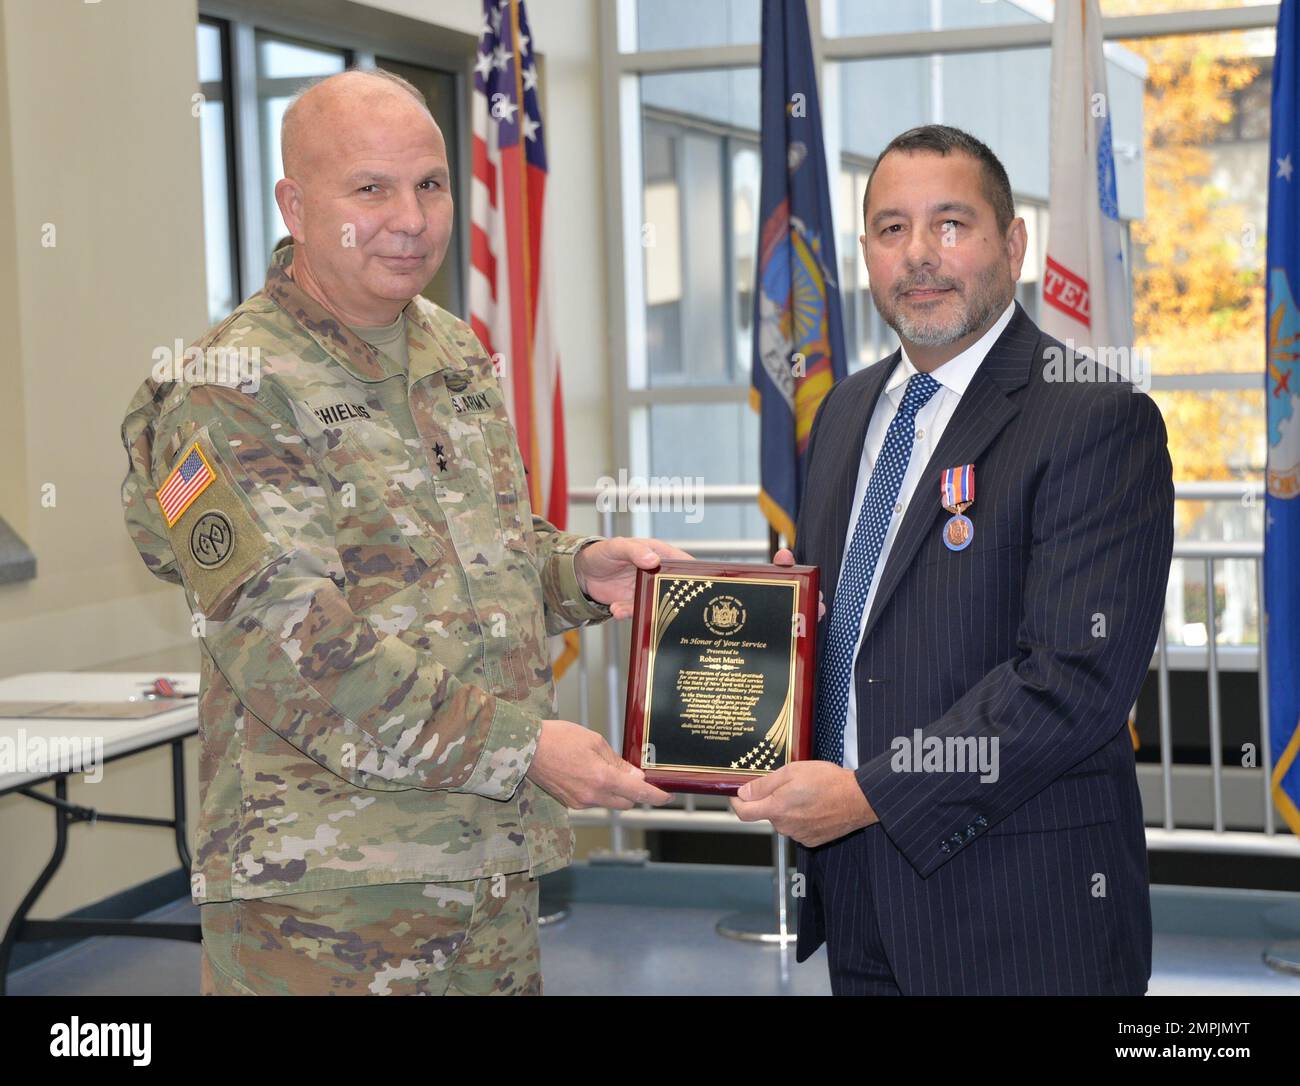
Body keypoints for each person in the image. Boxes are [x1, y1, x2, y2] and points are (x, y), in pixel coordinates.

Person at [120, 68, 678, 996]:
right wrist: (525, 746)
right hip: (327, 904)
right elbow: (290, 643)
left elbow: (466, 557)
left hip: (485, 869)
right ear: (295, 205)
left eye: (430, 184)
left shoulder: (450, 348)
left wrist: (580, 571)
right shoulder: (229, 387)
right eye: (370, 188)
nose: (411, 218)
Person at [732, 124, 1174, 995]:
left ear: (1012, 243)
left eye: (951, 224)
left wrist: (869, 797)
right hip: (856, 891)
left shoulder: (1095, 418)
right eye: (892, 229)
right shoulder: (845, 411)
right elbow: (855, 622)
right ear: (866, 254)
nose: (920, 256)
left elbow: (1074, 681)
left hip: (1022, 912)